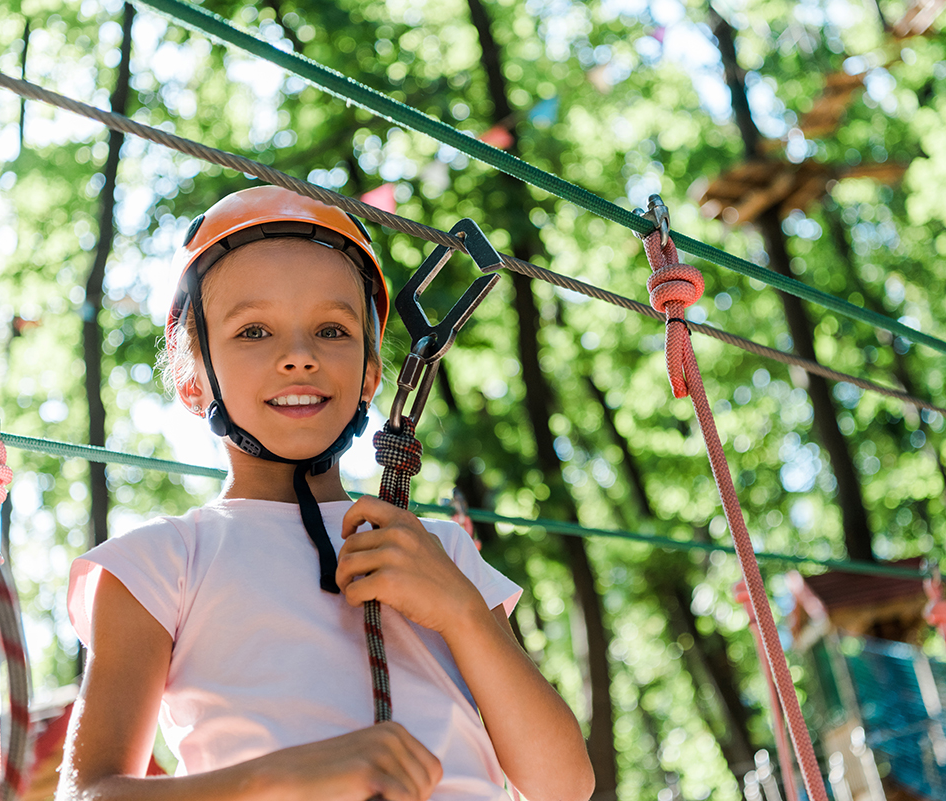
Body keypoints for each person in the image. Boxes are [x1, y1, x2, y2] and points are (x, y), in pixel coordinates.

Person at [59, 186, 594, 801]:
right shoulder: (159, 563)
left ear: (371, 373)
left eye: (332, 330)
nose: (299, 357)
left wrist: (463, 612)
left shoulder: (436, 549)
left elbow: (563, 784)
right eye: (254, 331)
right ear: (193, 378)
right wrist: (277, 777)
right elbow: (86, 793)